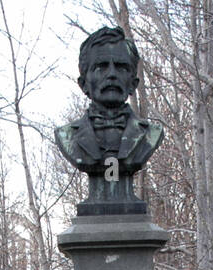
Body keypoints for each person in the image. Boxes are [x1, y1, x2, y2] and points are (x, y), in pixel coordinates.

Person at [53, 26, 163, 182]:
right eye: (101, 67)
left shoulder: (151, 134)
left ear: (133, 83)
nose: (112, 74)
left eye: (121, 68)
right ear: (83, 84)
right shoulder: (67, 136)